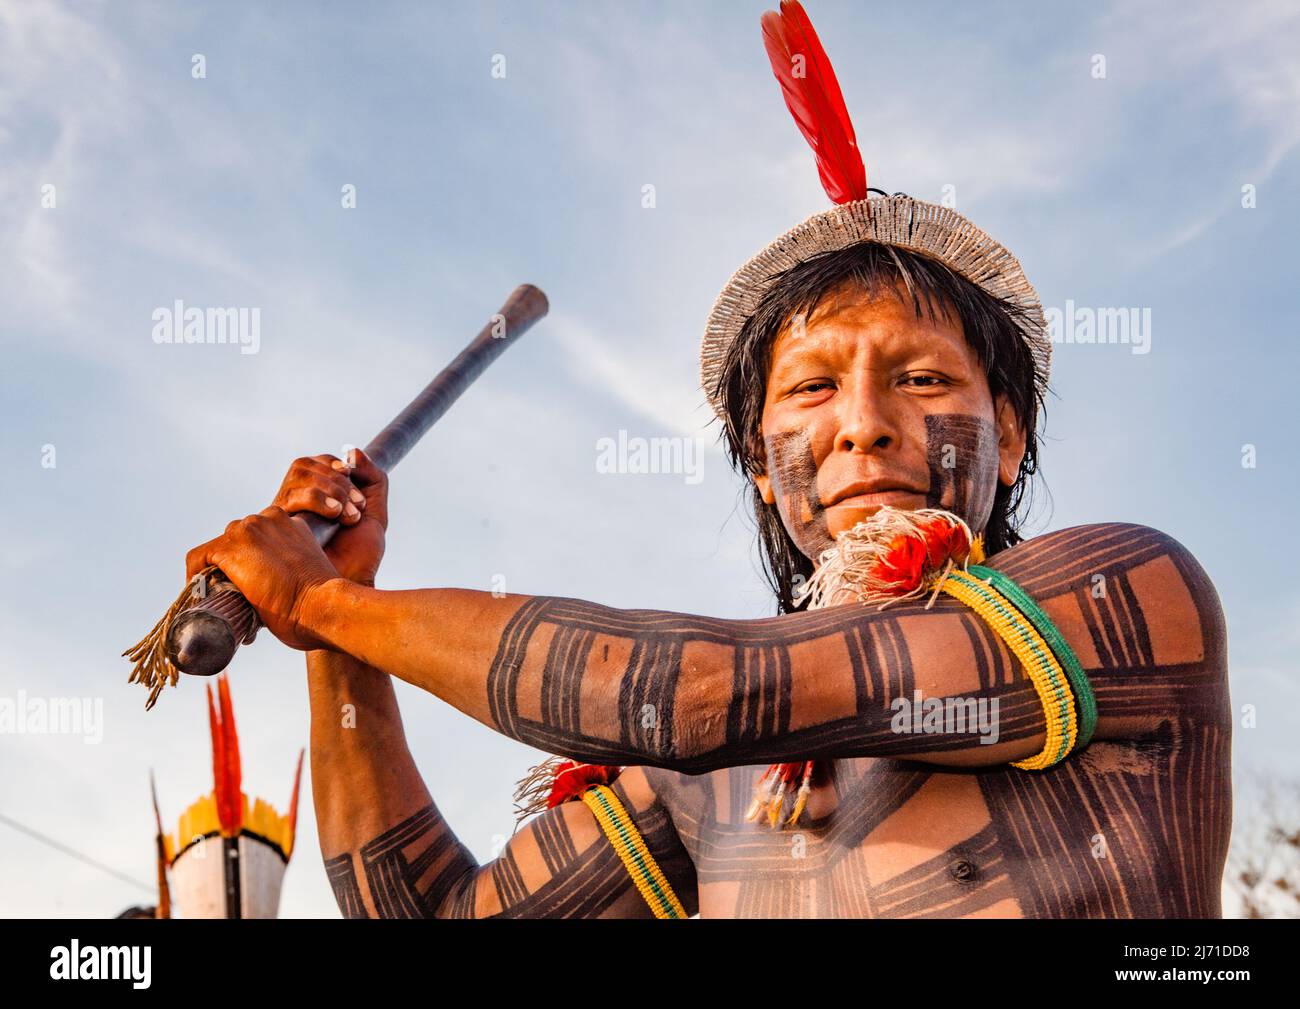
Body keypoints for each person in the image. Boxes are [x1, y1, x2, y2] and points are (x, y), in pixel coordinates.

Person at [182, 2, 1231, 919]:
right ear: (762, 465)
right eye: (812, 389)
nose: (861, 424)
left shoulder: (1124, 597)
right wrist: (340, 634)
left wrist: (319, 601)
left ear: (1007, 435)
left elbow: (696, 695)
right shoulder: (707, 786)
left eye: (919, 380)